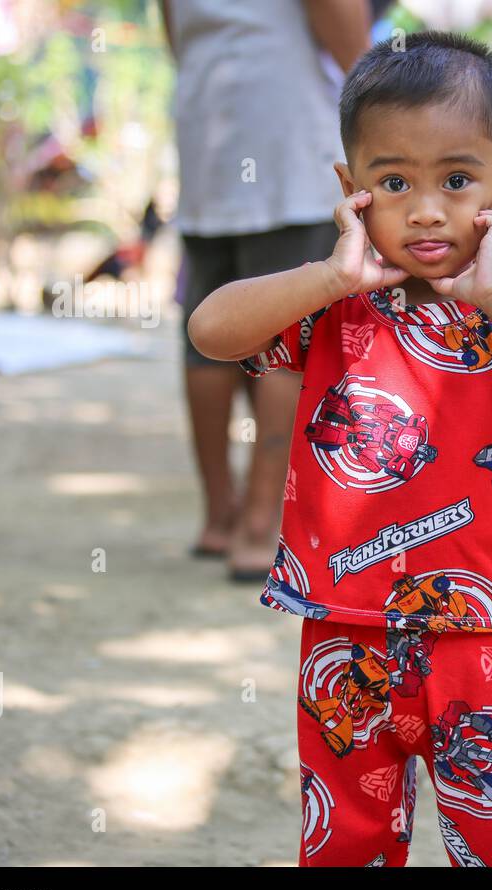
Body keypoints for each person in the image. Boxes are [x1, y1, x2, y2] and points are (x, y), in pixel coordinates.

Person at [187, 30, 492, 866]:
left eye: (458, 180)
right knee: (346, 839)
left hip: (479, 633)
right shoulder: (327, 312)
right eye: (393, 183)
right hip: (344, 631)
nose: (425, 209)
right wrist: (329, 276)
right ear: (351, 192)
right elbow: (211, 330)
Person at [162, 0, 373, 580]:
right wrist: (383, 103)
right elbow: (347, 37)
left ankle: (219, 517)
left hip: (209, 131)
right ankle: (260, 526)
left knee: (201, 335)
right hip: (285, 137)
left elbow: (174, 32)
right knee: (291, 335)